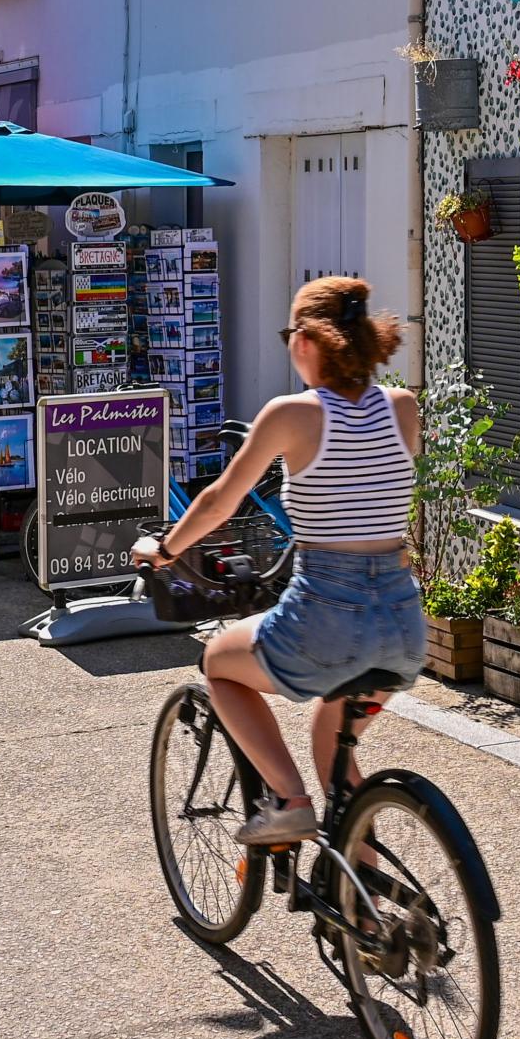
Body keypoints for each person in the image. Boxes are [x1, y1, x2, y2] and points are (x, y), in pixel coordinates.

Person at [133, 275, 424, 846]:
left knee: (218, 663)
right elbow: (363, 496)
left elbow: (219, 501)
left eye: (290, 336)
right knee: (333, 749)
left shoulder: (291, 414)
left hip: (328, 613)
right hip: (401, 622)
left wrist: (165, 550)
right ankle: (363, 891)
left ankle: (289, 802)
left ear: (308, 341)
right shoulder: (403, 407)